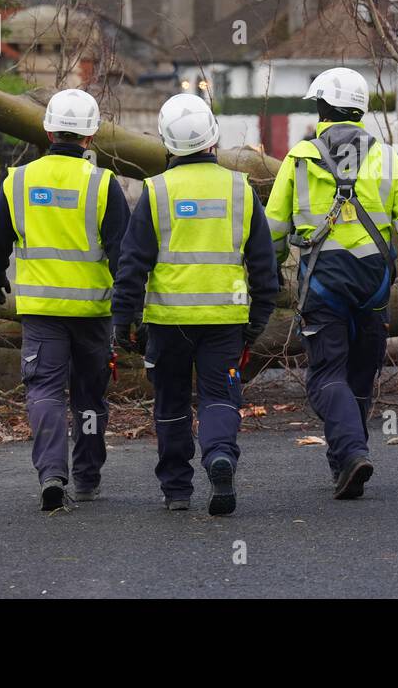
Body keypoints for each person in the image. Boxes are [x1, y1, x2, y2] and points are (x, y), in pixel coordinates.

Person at [264, 67, 398, 500]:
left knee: (327, 372)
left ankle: (350, 454)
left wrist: (268, 271)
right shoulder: (386, 157)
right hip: (374, 283)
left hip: (324, 282)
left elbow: (273, 225)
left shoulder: (300, 157)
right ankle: (347, 459)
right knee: (361, 373)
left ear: (324, 106)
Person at [110, 94, 278, 515]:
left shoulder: (155, 191)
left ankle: (177, 490)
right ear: (213, 138)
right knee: (220, 397)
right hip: (225, 320)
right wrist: (256, 321)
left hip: (167, 322)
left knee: (170, 402)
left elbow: (131, 265)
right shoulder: (240, 190)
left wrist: (122, 321)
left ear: (167, 143)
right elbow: (264, 266)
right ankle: (219, 456)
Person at [0, 88, 131, 511]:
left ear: (48, 130)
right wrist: (129, 310)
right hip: (93, 313)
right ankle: (86, 477)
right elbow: (124, 254)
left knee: (44, 391)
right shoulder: (103, 184)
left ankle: (51, 474)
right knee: (89, 396)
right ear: (91, 136)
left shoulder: (19, 180)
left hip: (42, 313)